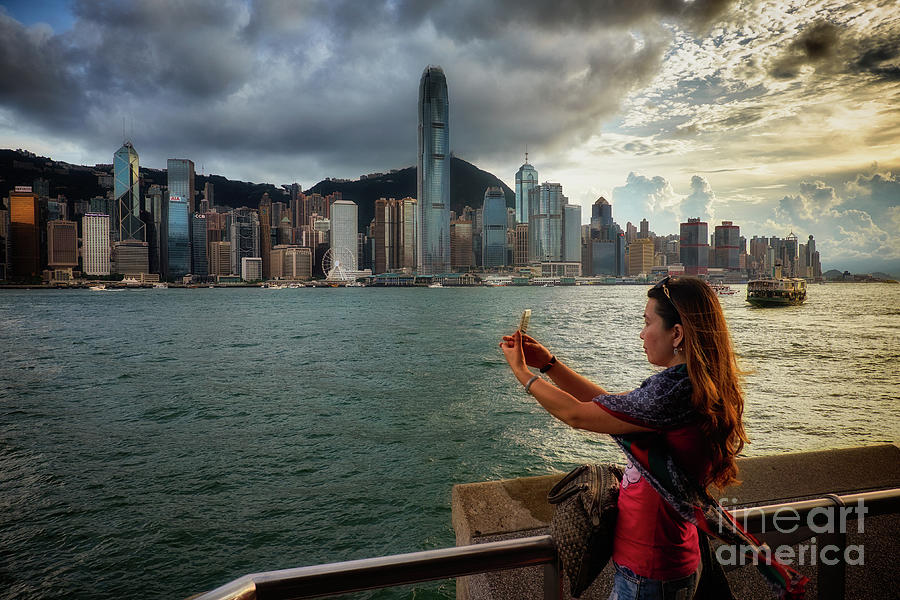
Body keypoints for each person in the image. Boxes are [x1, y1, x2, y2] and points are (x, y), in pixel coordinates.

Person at [500, 276, 750, 600]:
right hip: (668, 560)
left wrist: (522, 372)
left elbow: (576, 414)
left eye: (647, 323)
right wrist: (550, 364)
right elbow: (607, 405)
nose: (641, 333)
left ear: (677, 333)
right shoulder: (687, 386)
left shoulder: (673, 394)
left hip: (650, 573)